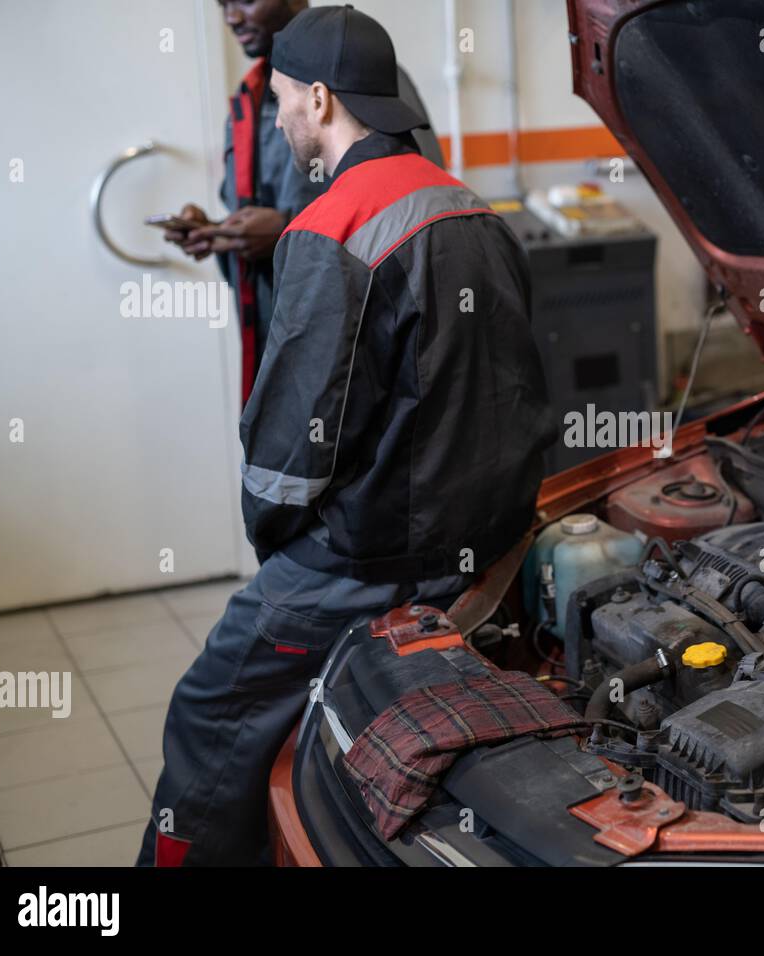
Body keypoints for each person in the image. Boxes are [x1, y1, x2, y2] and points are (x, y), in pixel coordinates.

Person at [136, 5, 555, 866]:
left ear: (319, 100)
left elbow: (287, 462)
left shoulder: (330, 226)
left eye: (285, 99)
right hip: (488, 549)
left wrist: (284, 556)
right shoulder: (473, 208)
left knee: (211, 704)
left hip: (371, 562)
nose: (281, 115)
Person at [162, 0, 443, 404]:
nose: (232, 16)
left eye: (244, 0)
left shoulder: (365, 79)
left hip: (357, 337)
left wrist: (285, 228)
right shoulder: (249, 102)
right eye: (223, 4)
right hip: (279, 327)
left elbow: (420, 204)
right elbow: (255, 208)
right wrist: (221, 232)